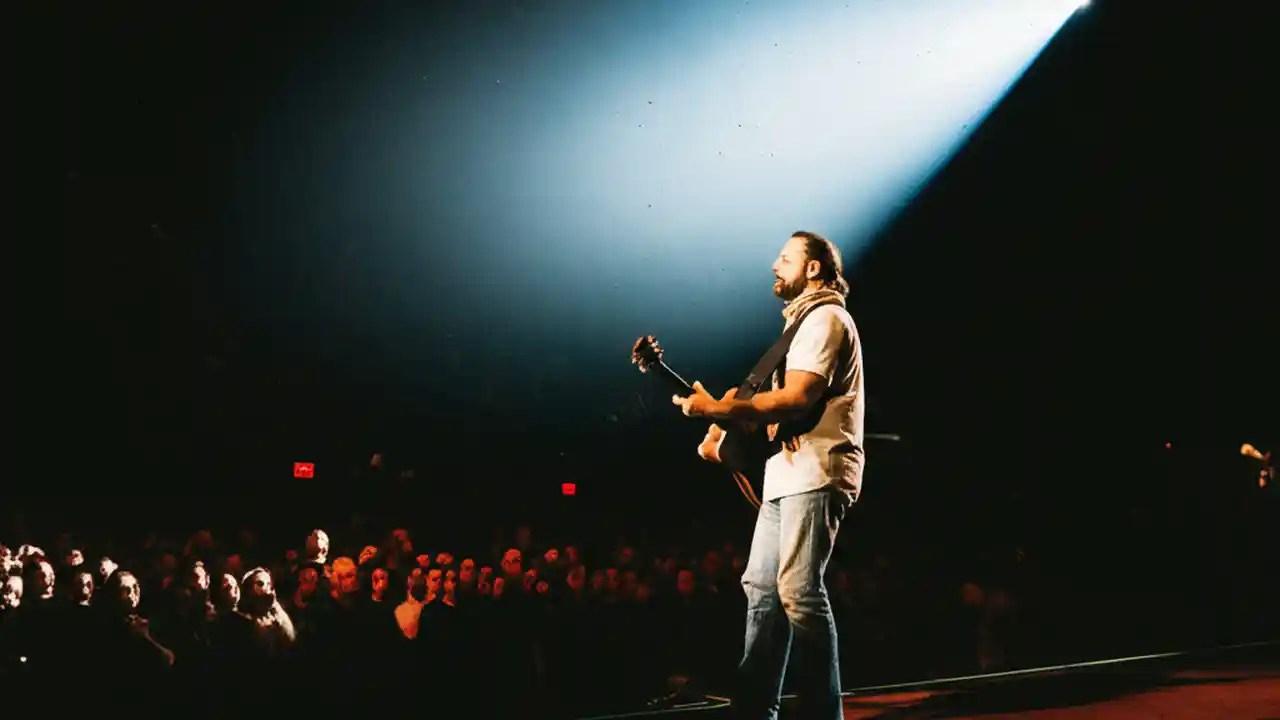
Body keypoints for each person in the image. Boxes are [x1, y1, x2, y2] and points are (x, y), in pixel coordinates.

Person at [673, 230, 864, 720]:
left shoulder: (825, 319)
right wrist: (722, 430)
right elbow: (772, 407)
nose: (775, 265)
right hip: (786, 475)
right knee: (761, 587)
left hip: (819, 470)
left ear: (814, 269)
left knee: (799, 593)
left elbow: (799, 397)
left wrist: (717, 406)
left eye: (786, 258)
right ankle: (756, 711)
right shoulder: (798, 327)